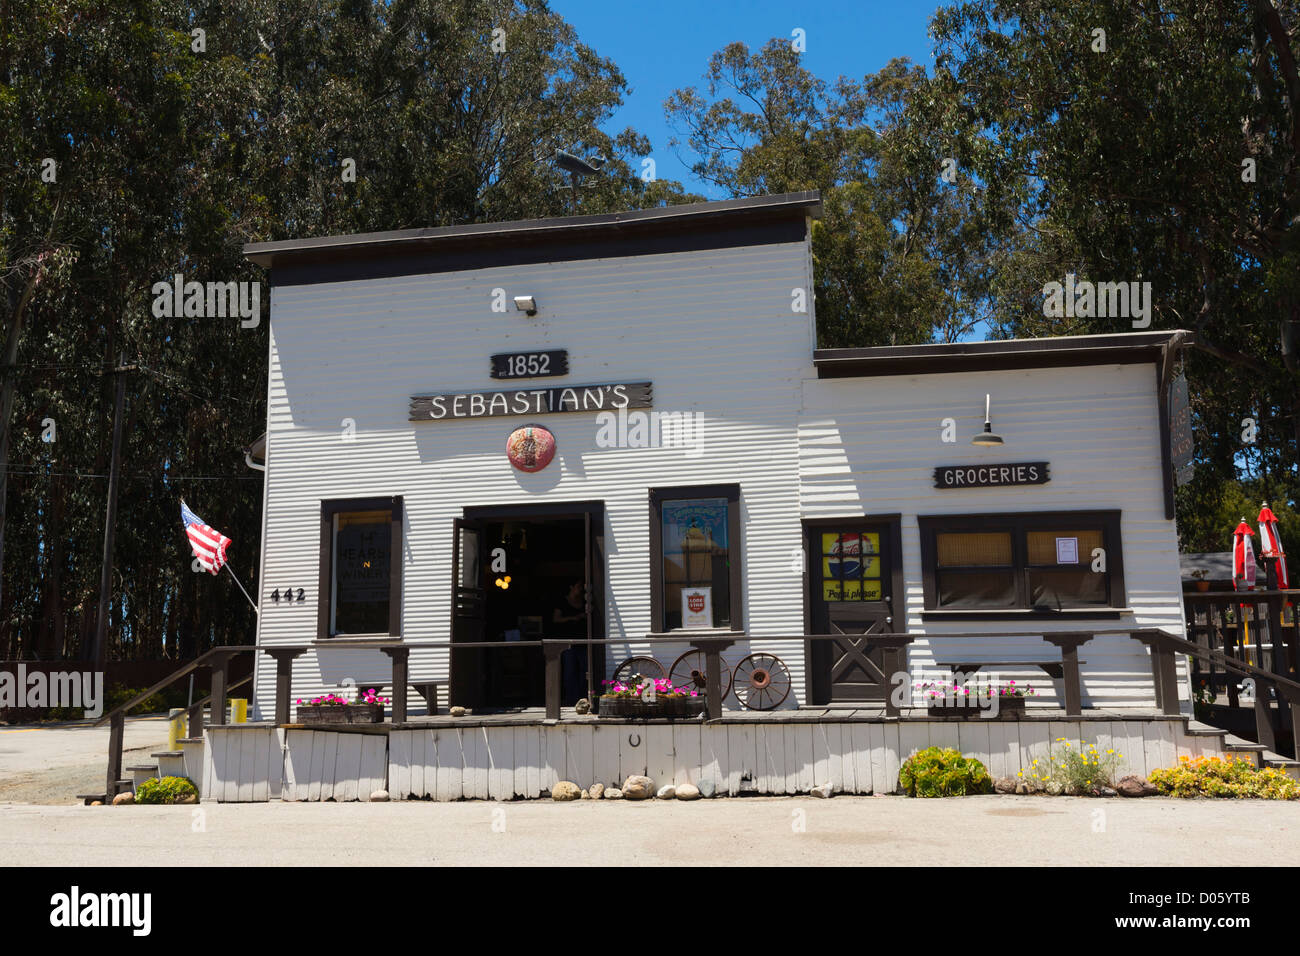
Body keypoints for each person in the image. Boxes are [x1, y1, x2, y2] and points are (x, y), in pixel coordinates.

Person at [550, 580, 588, 705]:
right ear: (571, 587)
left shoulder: (584, 601)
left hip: (582, 641)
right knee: (570, 671)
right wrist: (573, 618)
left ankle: (583, 697)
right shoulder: (562, 602)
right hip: (567, 642)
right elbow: (556, 619)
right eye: (578, 586)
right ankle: (571, 699)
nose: (581, 589)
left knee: (585, 670)